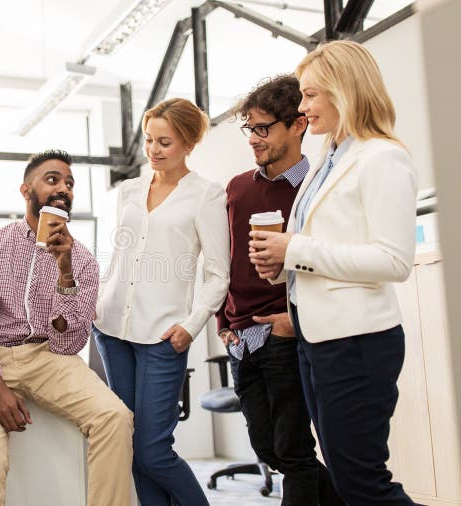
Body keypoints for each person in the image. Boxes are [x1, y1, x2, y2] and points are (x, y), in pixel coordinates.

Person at [249, 40, 418, 505]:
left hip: (357, 343)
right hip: (317, 339)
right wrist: (281, 266)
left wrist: (295, 248)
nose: (303, 107)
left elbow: (393, 261)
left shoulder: (382, 157)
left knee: (363, 482)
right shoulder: (327, 158)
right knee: (345, 479)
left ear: (345, 90)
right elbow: (328, 245)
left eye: (311, 95)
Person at [0, 149, 133, 506]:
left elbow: (70, 343)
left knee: (115, 417)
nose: (63, 189)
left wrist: (64, 270)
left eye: (69, 183)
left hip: (49, 356)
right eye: (53, 180)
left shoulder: (81, 260)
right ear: (26, 190)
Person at [93, 98, 230, 505]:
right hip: (112, 328)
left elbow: (218, 273)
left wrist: (192, 324)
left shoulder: (206, 195)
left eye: (165, 142)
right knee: (132, 449)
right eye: (150, 140)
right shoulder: (128, 191)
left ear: (188, 143)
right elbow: (119, 256)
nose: (153, 150)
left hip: (164, 334)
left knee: (154, 450)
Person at [217, 75, 341, 505]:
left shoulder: (318, 187)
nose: (253, 138)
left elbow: (331, 260)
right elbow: (227, 259)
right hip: (241, 337)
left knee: (293, 452)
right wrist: (222, 320)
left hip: (285, 332)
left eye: (263, 128)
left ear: (298, 125)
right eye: (249, 128)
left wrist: (296, 320)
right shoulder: (237, 187)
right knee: (268, 449)